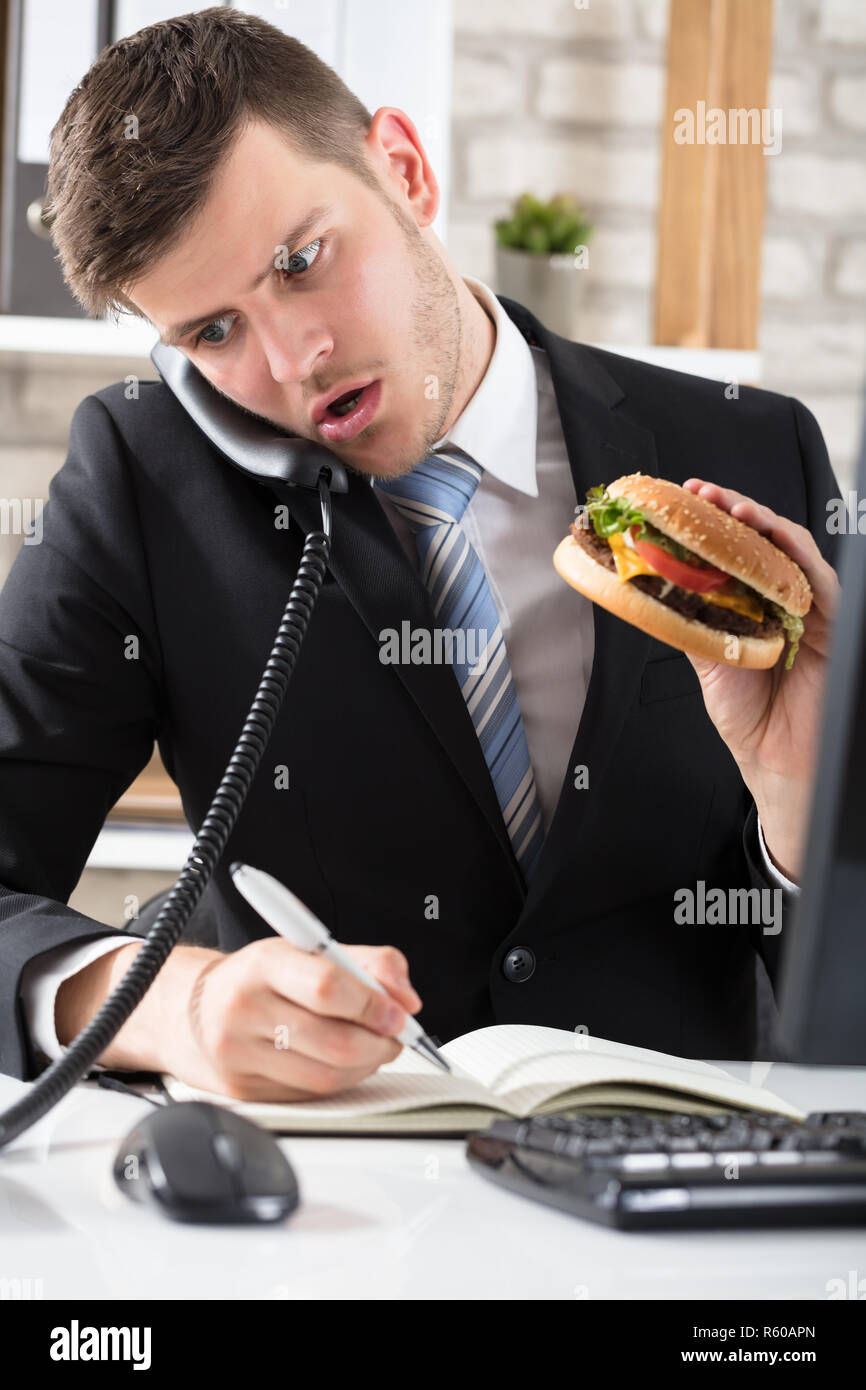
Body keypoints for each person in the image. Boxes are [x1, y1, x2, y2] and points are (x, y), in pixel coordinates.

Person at [0, 10, 840, 1100]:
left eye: (301, 261)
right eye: (212, 333)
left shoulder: (745, 448)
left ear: (401, 169)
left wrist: (801, 808)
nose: (293, 358)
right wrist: (167, 1004)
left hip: (680, 1205)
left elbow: (837, 1001)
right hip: (332, 1214)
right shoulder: (141, 477)